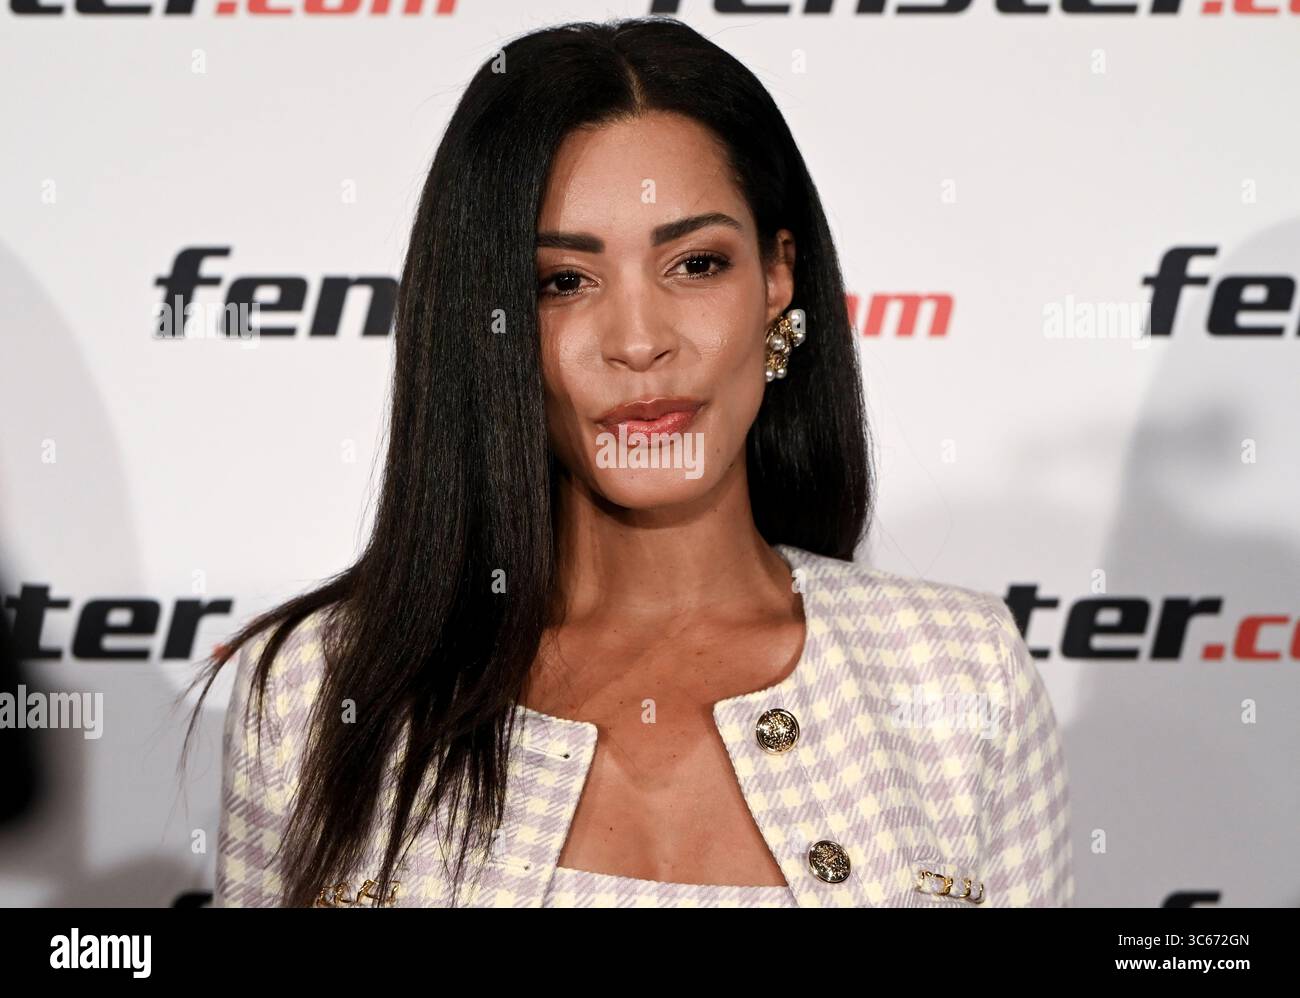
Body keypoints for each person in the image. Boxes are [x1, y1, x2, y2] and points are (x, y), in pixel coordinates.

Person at [184, 16, 1073, 908]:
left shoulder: (959, 679)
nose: (640, 341)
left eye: (695, 263)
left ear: (777, 280)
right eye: (564, 281)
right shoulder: (319, 691)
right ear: (489, 320)